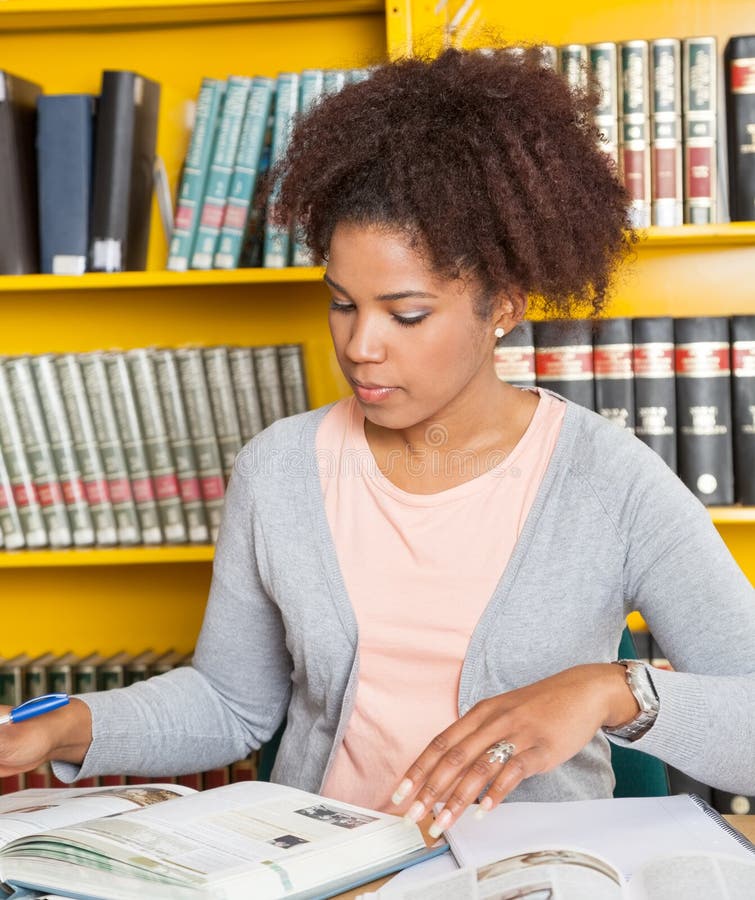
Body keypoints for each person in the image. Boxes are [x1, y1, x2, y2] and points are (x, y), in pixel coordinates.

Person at [1, 47, 753, 843]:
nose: (361, 345)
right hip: (318, 869)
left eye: (405, 314)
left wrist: (613, 690)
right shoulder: (281, 469)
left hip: (525, 875)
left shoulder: (611, 481)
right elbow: (231, 702)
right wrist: (60, 727)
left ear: (503, 304)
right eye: (340, 304)